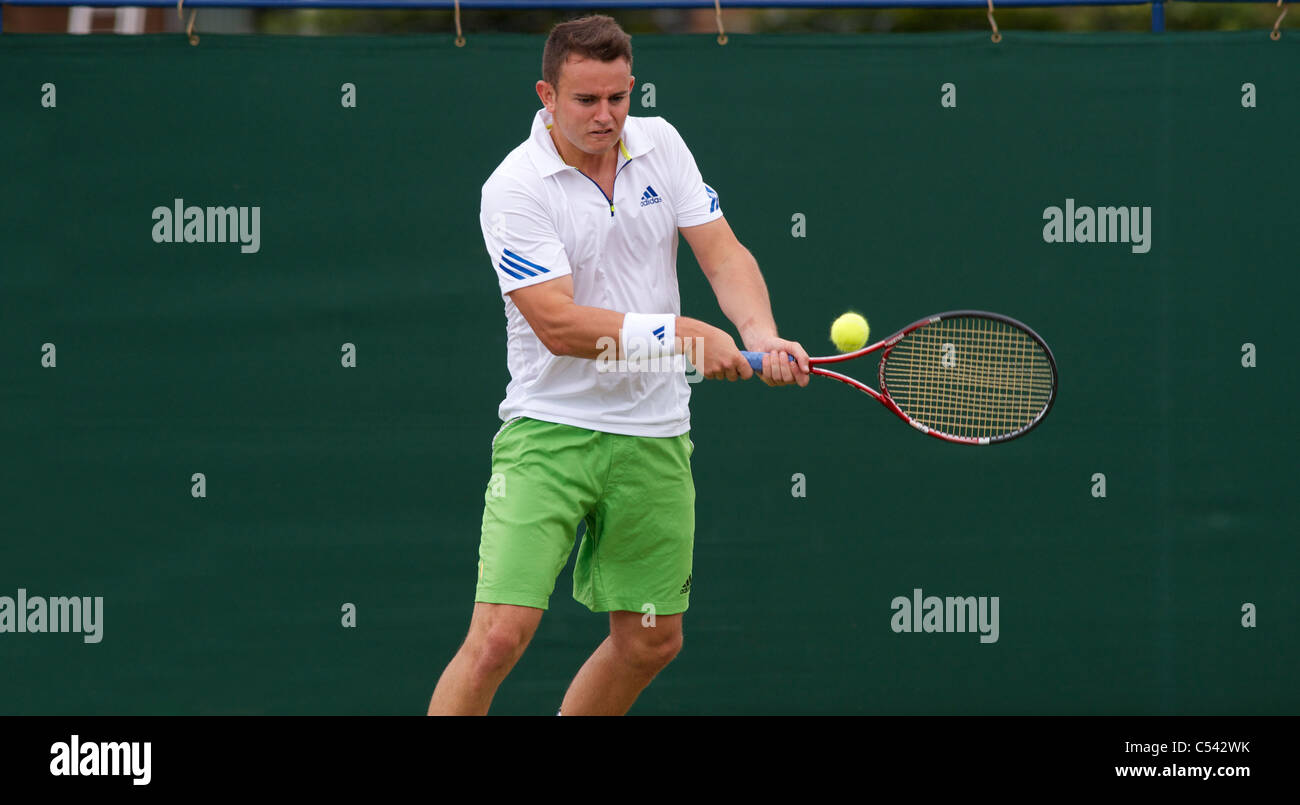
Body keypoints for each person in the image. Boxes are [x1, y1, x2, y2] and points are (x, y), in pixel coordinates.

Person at [427, 14, 810, 716]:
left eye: (618, 97)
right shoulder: (513, 188)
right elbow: (559, 325)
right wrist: (685, 336)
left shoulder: (661, 145)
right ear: (547, 94)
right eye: (585, 100)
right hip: (550, 432)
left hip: (655, 433)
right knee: (497, 639)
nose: (605, 116)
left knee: (651, 641)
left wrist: (761, 333)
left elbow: (722, 253)